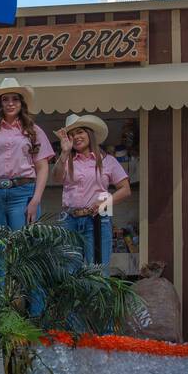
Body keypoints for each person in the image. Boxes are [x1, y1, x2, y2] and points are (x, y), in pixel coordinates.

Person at [0, 79, 52, 299]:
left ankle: (33, 314)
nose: (10, 103)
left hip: (23, 192)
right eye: (5, 99)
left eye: (14, 99)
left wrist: (35, 199)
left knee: (26, 252)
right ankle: (0, 314)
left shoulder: (33, 130)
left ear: (21, 103)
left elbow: (42, 166)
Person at [53, 114, 132, 272]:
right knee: (69, 271)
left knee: (98, 270)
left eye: (80, 132)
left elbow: (125, 189)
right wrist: (64, 152)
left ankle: (98, 297)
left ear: (89, 134)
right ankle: (75, 298)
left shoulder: (106, 160)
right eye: (72, 134)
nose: (76, 137)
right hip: (70, 218)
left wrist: (105, 203)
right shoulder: (67, 160)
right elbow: (56, 177)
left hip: (98, 218)